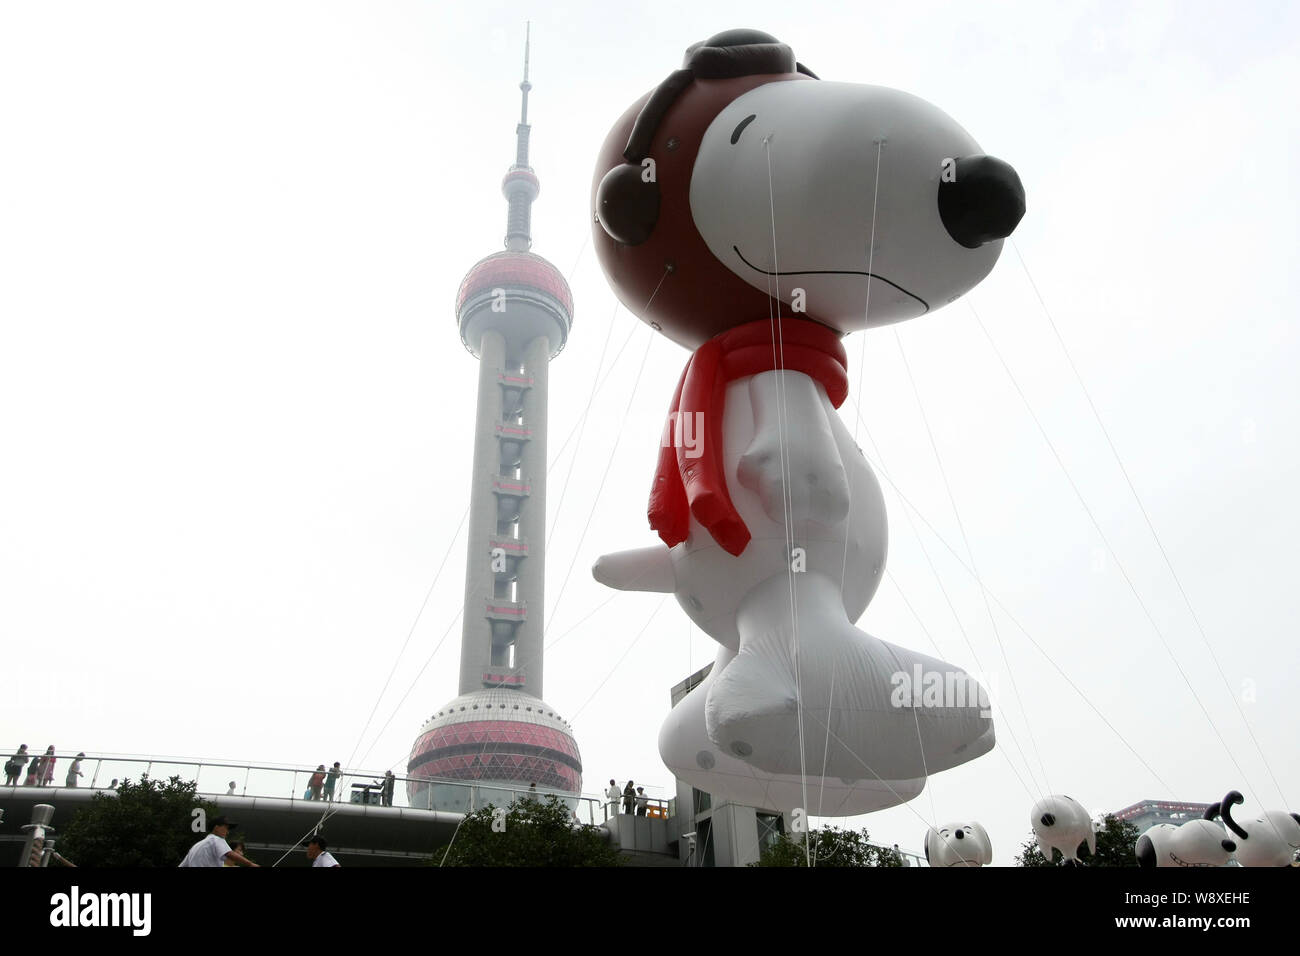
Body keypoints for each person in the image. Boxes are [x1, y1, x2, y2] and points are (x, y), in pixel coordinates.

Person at [179, 816, 258, 867]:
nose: (228, 832)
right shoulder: (216, 839)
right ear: (216, 828)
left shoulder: (196, 846)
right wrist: (250, 864)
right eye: (226, 828)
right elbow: (230, 854)